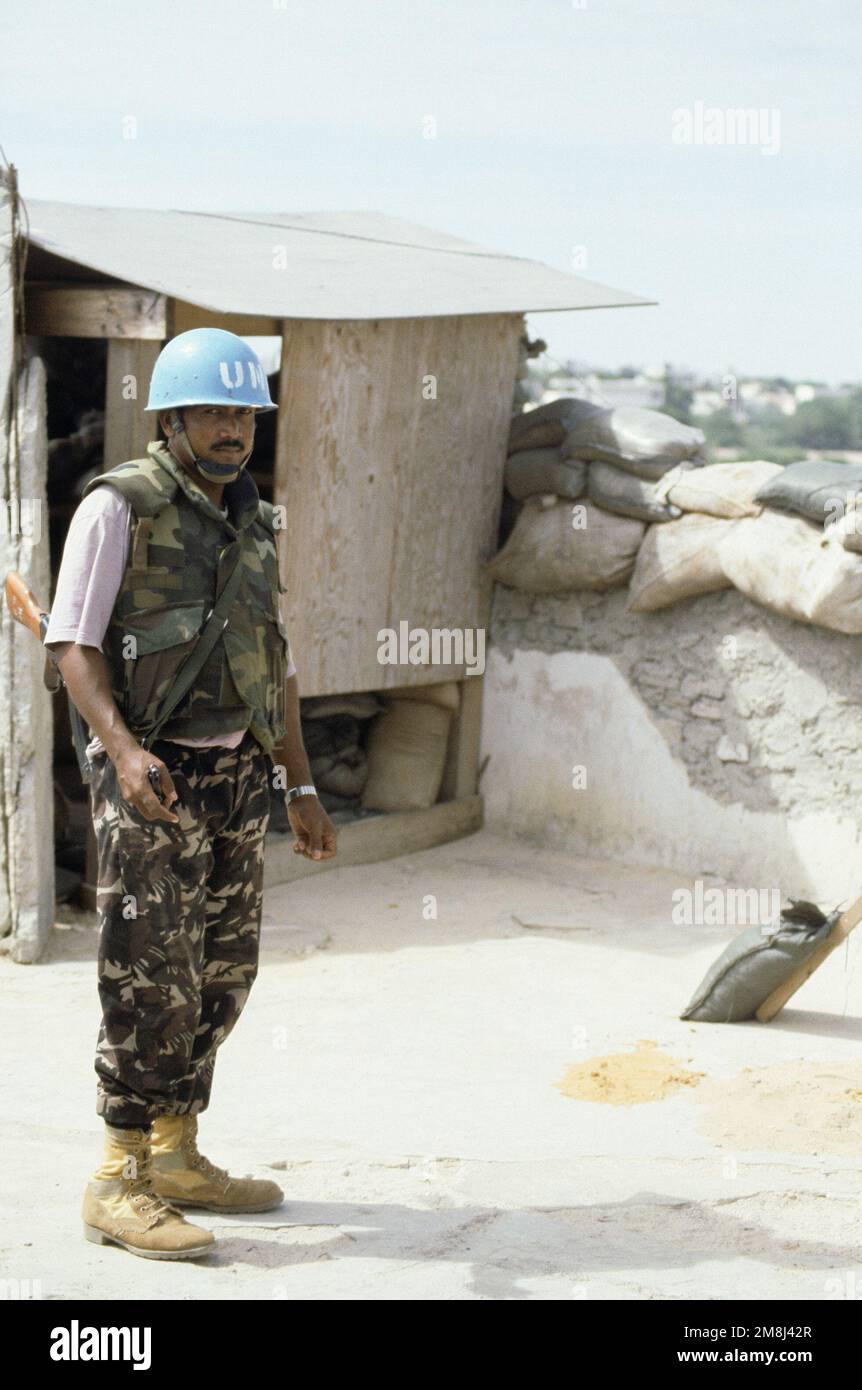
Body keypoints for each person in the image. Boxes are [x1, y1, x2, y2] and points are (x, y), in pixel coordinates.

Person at [45, 327, 337, 1260]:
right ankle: (115, 1178)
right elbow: (72, 646)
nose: (231, 430)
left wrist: (297, 780)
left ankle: (176, 1153)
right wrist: (125, 756)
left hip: (237, 774)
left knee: (221, 968)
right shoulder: (117, 507)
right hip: (154, 772)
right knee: (149, 973)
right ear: (170, 419)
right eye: (212, 412)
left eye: (243, 414)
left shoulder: (256, 520)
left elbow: (275, 660)